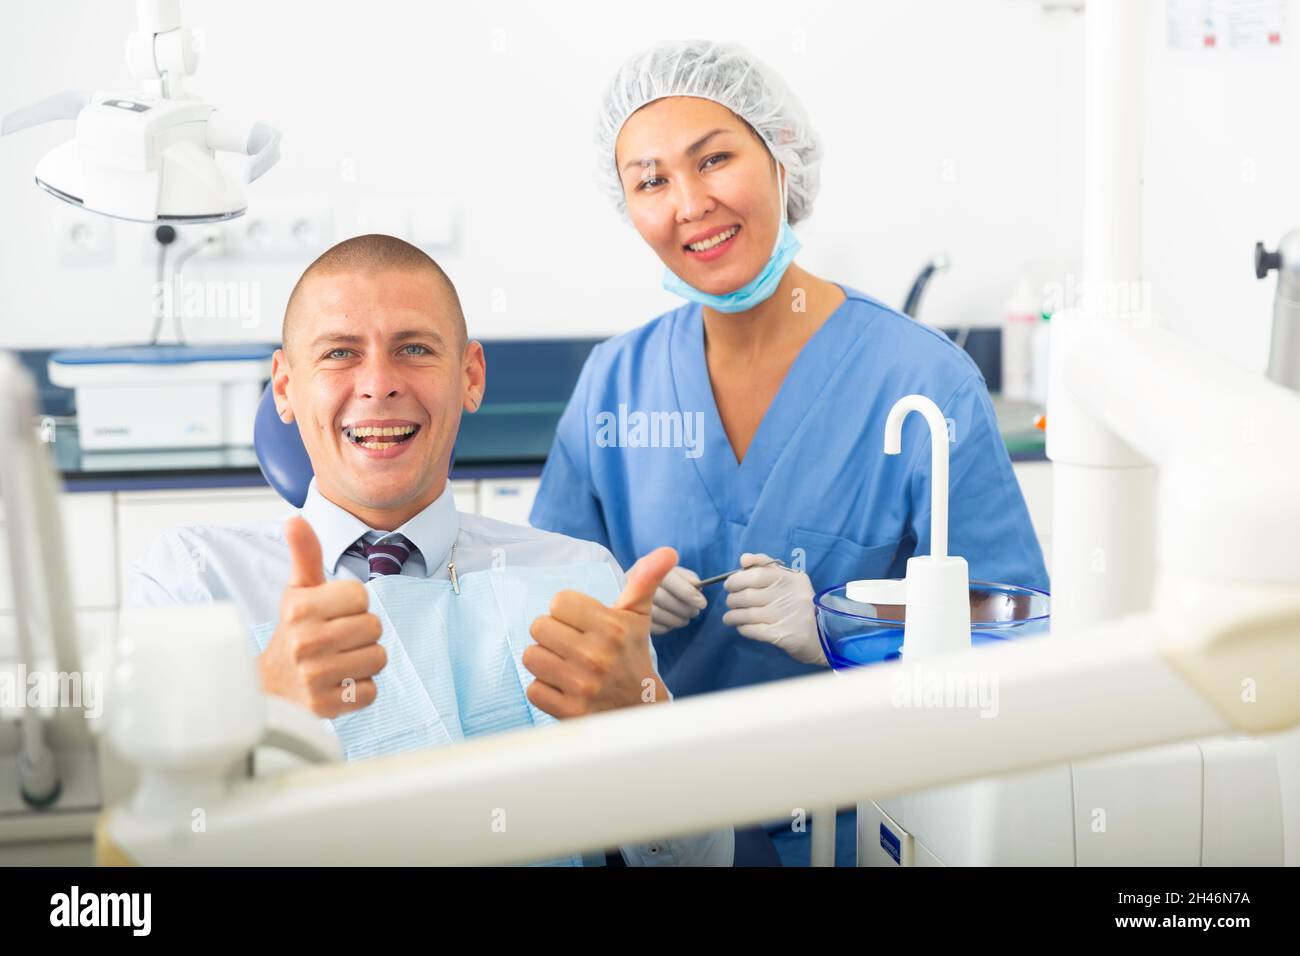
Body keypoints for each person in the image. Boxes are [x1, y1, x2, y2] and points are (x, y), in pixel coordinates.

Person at [529, 40, 1048, 866]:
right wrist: (607, 600)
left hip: (861, 831)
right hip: (658, 827)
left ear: (781, 156)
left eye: (715, 158)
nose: (690, 203)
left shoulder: (922, 382)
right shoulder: (614, 383)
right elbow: (542, 607)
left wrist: (844, 628)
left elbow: (1012, 632)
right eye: (651, 180)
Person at [128, 233, 732, 867]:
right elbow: (147, 848)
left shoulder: (576, 579)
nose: (379, 384)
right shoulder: (193, 582)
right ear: (284, 386)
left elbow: (699, 862)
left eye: (413, 349)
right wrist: (258, 714)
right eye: (340, 352)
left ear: (469, 378)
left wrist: (648, 737)